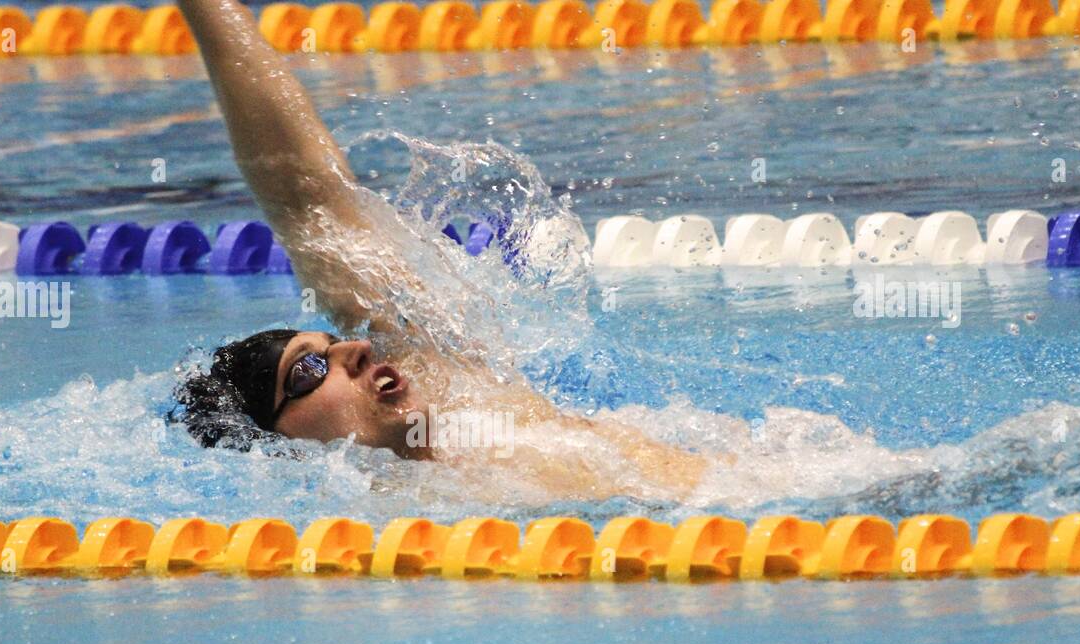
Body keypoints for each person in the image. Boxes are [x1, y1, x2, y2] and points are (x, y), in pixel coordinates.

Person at [173, 0, 708, 499]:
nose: (356, 350)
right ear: (276, 449)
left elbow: (309, 198)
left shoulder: (461, 391)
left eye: (332, 343)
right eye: (308, 371)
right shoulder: (383, 525)